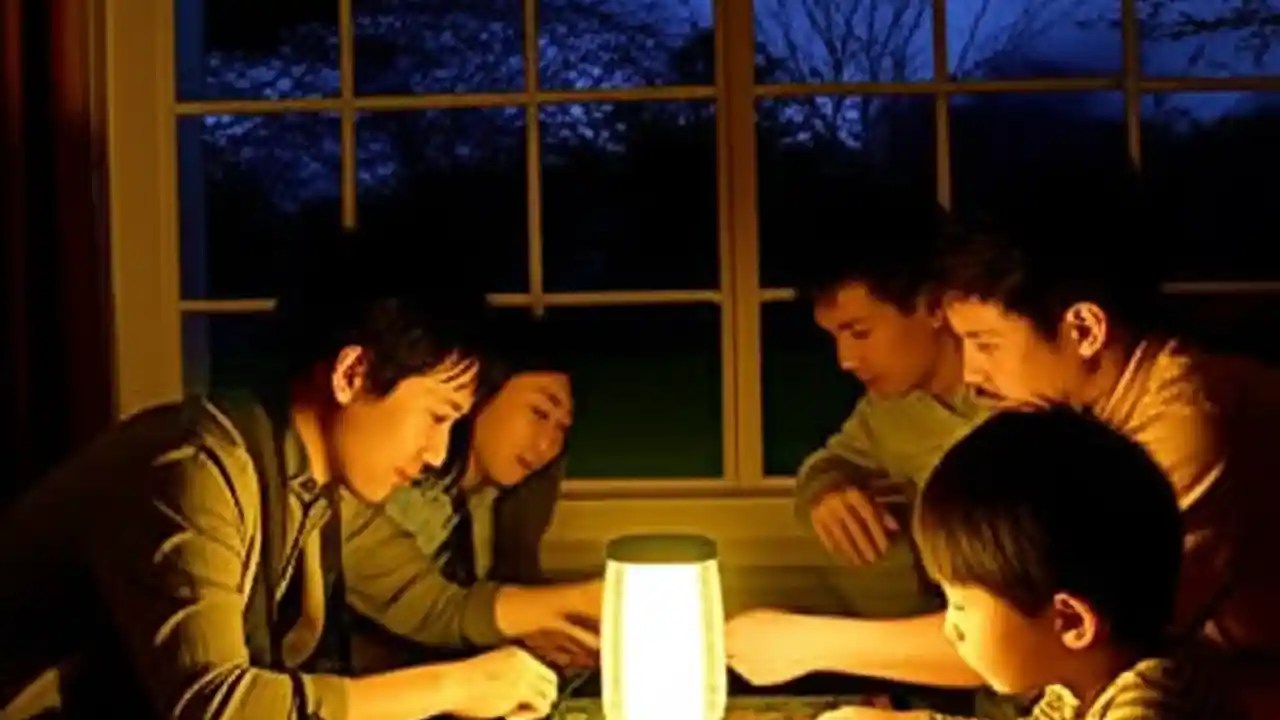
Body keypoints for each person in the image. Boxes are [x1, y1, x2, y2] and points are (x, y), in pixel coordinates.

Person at [727, 171, 1280, 715]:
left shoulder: (1189, 426)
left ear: (1084, 330)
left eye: (985, 344)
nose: (970, 373)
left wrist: (804, 642)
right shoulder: (1089, 417)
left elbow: (1051, 636)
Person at [0, 229, 600, 720]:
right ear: (352, 374)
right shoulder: (197, 469)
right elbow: (217, 707)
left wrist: (582, 603)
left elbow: (429, 604)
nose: (440, 454)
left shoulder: (314, 488)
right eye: (436, 417)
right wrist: (452, 689)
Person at [815, 408, 1236, 720]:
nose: (950, 627)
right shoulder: (1077, 684)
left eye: (961, 605)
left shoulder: (1151, 701)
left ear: (1070, 621)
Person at [791, 188, 989, 622]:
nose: (845, 360)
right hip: (943, 637)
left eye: (859, 333)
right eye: (834, 338)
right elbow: (832, 459)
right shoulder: (891, 411)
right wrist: (827, 488)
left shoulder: (1019, 394)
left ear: (934, 306)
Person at [363, 312, 591, 670]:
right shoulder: (397, 490)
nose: (547, 445)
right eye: (539, 412)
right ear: (481, 396)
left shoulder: (492, 504)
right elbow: (421, 610)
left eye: (562, 428)